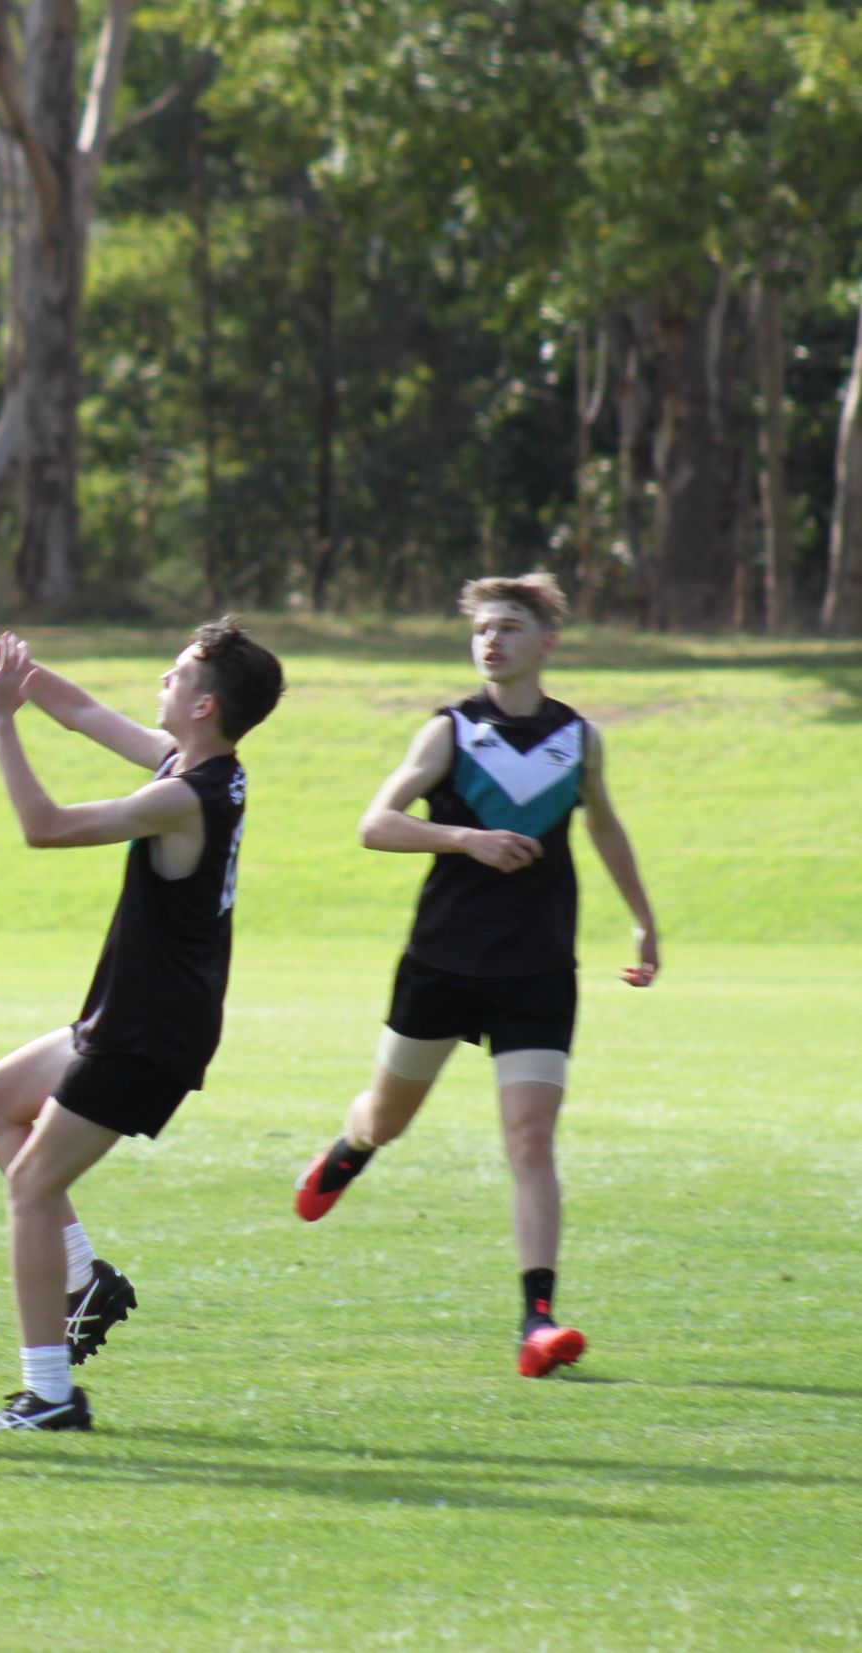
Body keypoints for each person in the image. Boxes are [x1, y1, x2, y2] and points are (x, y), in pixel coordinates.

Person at [293, 573, 658, 1378]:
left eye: (508, 627)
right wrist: (467, 839)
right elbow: (374, 825)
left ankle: (537, 1321)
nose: (490, 640)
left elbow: (603, 824)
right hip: (442, 961)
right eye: (481, 630)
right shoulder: (448, 732)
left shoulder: (579, 738)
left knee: (529, 1137)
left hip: (536, 967)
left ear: (545, 643)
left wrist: (640, 916)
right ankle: (352, 1147)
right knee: (387, 1117)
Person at [0, 619, 283, 1433]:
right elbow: (79, 710)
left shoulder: (181, 797)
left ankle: (48, 1395)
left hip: (147, 1033)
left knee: (32, 1185)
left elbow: (45, 826)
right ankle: (83, 1279)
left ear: (204, 704)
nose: (160, 682)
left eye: (175, 674)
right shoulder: (198, 767)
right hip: (130, 1014)